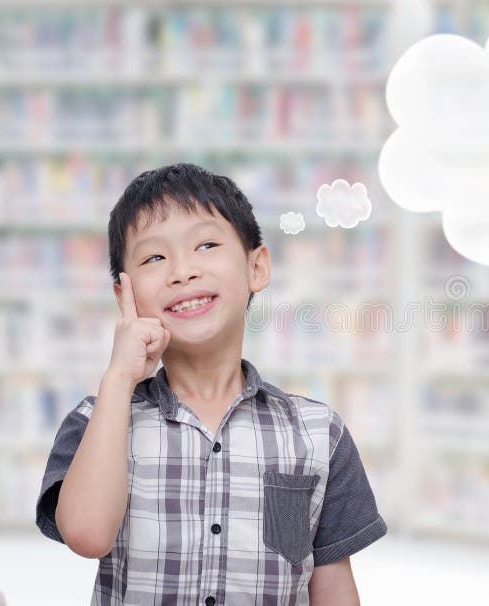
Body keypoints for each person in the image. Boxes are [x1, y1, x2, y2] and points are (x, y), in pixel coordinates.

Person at [34, 163, 387, 605]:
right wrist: (119, 377)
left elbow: (333, 590)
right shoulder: (99, 420)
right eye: (154, 258)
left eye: (206, 244)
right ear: (124, 295)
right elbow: (87, 534)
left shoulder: (319, 434)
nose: (182, 271)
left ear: (256, 267)